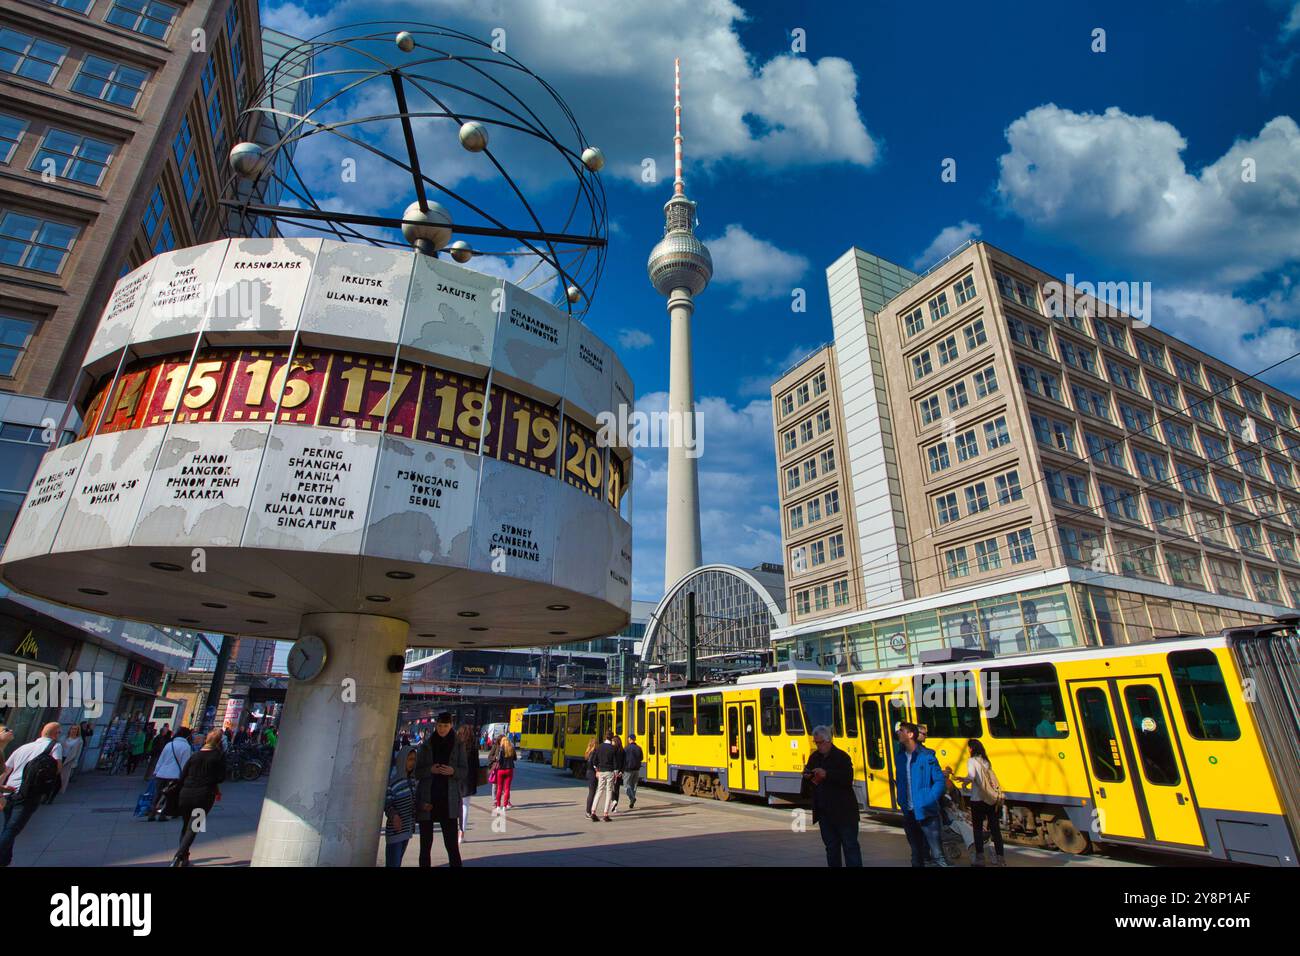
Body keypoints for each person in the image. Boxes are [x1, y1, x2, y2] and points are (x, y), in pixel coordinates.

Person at [0, 722, 63, 866]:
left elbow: (6, 771)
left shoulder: (23, 747)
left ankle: (5, 860)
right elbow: (57, 769)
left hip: (10, 790)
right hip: (29, 793)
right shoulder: (55, 746)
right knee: (12, 829)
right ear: (55, 734)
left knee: (8, 827)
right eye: (58, 733)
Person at [802, 725, 862, 867]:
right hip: (824, 813)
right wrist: (807, 776)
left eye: (820, 742)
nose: (818, 746)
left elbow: (847, 778)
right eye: (816, 743)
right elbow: (807, 783)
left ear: (828, 741)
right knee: (831, 848)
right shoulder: (814, 757)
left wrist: (826, 774)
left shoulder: (842, 757)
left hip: (844, 812)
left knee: (850, 847)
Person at [894, 722, 949, 867]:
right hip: (909, 813)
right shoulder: (900, 758)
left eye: (902, 731)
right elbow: (900, 781)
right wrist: (901, 800)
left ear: (910, 735)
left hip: (927, 811)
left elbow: (939, 781)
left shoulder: (926, 756)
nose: (898, 733)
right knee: (916, 855)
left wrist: (929, 800)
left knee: (938, 855)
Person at [413, 712, 465, 867]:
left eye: (446, 726)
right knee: (425, 846)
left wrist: (453, 771)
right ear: (436, 726)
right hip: (428, 800)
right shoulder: (426, 745)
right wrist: (430, 770)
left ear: (451, 726)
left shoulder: (458, 745)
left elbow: (465, 771)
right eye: (440, 726)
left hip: (448, 801)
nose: (442, 729)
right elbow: (416, 772)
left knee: (452, 846)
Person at [947, 739, 1006, 866]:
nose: (968, 750)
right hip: (990, 799)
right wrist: (965, 779)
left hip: (978, 800)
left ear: (971, 749)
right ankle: (1000, 858)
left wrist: (965, 782)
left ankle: (980, 858)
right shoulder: (986, 761)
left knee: (977, 829)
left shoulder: (972, 761)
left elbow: (972, 776)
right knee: (995, 829)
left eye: (968, 748)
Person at [171, 730, 226, 867]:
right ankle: (178, 856)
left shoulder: (195, 755)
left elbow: (182, 776)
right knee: (193, 828)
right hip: (203, 796)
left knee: (185, 826)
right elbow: (221, 778)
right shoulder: (218, 756)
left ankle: (184, 858)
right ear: (219, 742)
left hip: (185, 794)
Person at [148, 727, 193, 822]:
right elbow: (185, 763)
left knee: (158, 794)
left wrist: (156, 771)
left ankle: (152, 813)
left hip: (161, 773)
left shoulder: (169, 744)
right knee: (169, 796)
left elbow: (161, 759)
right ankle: (162, 814)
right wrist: (185, 776)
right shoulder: (186, 747)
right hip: (174, 775)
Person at [384, 745, 418, 867]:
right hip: (395, 832)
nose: (412, 763)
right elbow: (388, 804)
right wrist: (394, 816)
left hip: (407, 830)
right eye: (409, 759)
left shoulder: (412, 781)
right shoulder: (393, 782)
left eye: (414, 759)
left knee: (397, 862)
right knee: (393, 863)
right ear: (402, 759)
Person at [48, 723, 83, 803]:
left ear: (78, 731)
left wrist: (75, 762)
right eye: (72, 729)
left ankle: (53, 795)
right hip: (59, 758)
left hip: (68, 761)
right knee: (53, 776)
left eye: (75, 729)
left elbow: (78, 753)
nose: (73, 731)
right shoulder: (63, 738)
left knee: (61, 779)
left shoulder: (79, 741)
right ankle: (48, 793)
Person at [456, 725, 479, 843]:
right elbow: (476, 766)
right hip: (468, 781)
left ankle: (454, 832)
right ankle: (461, 834)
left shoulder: (455, 746)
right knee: (465, 807)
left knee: (454, 807)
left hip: (455, 779)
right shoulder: (473, 748)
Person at [590, 732, 619, 822]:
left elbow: (594, 761)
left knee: (599, 791)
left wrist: (597, 770)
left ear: (605, 737)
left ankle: (593, 812)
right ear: (612, 738)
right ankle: (605, 814)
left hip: (601, 771)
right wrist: (616, 773)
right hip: (609, 772)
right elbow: (615, 763)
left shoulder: (599, 747)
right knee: (609, 791)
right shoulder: (613, 748)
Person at [491, 735, 517, 810]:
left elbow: (499, 760)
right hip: (509, 770)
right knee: (507, 788)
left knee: (499, 788)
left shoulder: (501, 750)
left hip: (501, 770)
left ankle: (498, 805)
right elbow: (515, 758)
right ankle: (505, 805)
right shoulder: (512, 748)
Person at [621, 733, 643, 810]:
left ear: (630, 739)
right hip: (636, 769)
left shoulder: (626, 748)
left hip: (628, 770)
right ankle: (631, 802)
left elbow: (623, 759)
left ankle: (632, 798)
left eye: (628, 738)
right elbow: (641, 758)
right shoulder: (639, 748)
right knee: (634, 786)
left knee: (626, 785)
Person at [607, 734, 625, 814]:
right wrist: (621, 771)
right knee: (617, 788)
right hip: (619, 772)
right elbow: (624, 762)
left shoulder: (612, 750)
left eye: (613, 741)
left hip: (612, 771)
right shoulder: (622, 750)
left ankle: (613, 801)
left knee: (610, 787)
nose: (611, 742)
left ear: (615, 742)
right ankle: (615, 806)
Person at [582, 737, 599, 819]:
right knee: (592, 793)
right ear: (595, 744)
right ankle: (588, 812)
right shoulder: (594, 752)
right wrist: (597, 770)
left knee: (591, 792)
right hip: (592, 773)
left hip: (588, 772)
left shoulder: (588, 752)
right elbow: (593, 763)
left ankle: (589, 811)